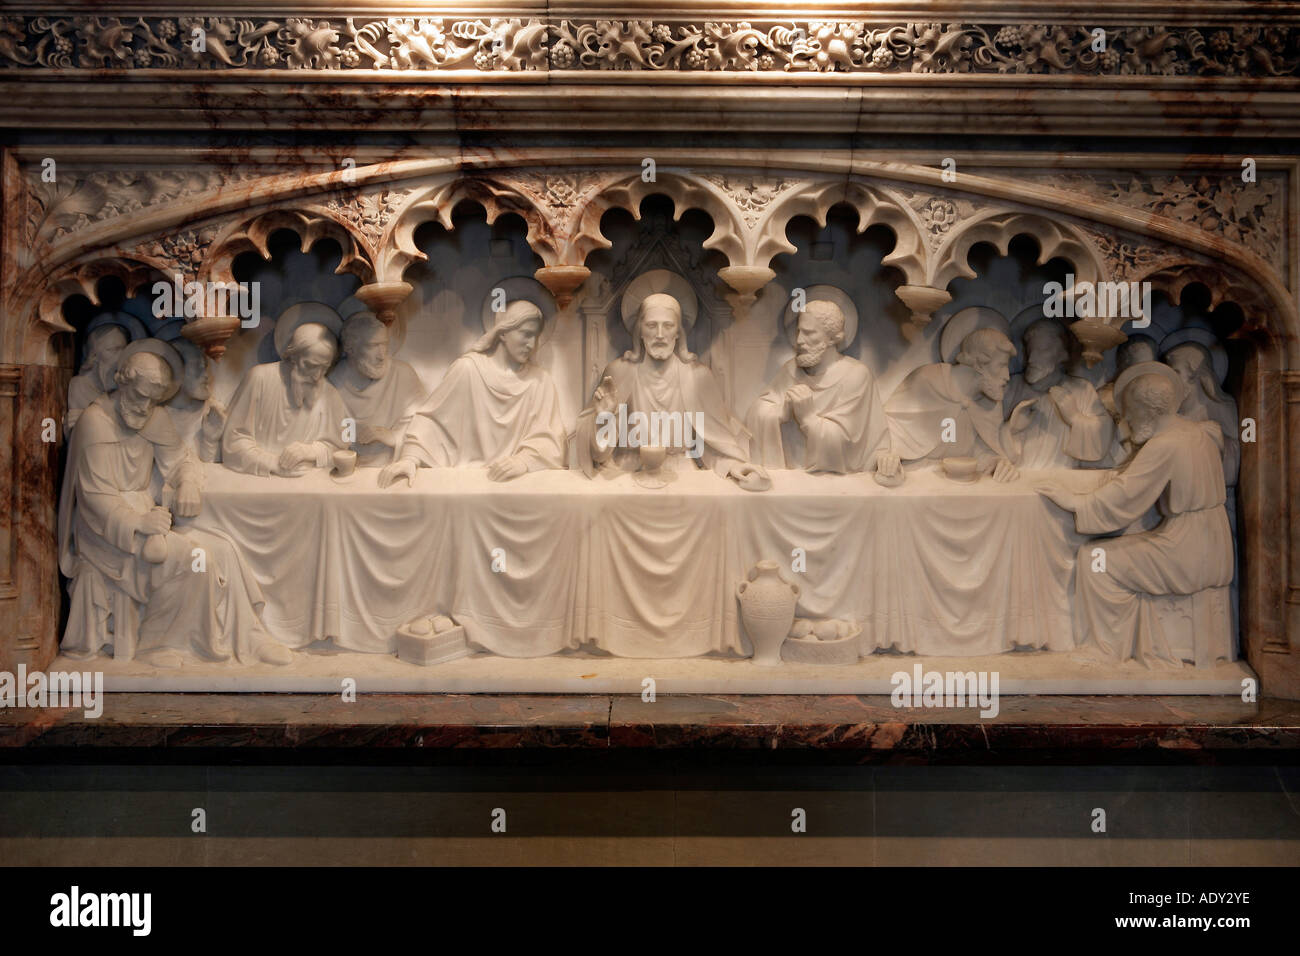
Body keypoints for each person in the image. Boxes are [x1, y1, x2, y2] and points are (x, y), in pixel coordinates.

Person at [57, 341, 290, 666]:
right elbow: (96, 497)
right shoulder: (95, 423)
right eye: (140, 396)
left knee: (225, 549)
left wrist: (188, 482)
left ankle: (248, 636)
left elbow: (182, 459)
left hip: (148, 518)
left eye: (154, 399)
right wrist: (137, 522)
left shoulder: (153, 416)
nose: (144, 407)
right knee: (196, 560)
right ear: (122, 380)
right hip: (106, 534)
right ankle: (159, 643)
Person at [1034, 362, 1233, 668]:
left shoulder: (1163, 445)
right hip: (1213, 542)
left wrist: (1074, 501)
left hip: (1186, 549)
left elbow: (1126, 497)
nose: (1125, 419)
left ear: (1146, 408)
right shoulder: (1199, 433)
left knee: (1095, 560)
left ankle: (1107, 649)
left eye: (1129, 410)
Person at [574, 287, 769, 490]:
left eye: (668, 325)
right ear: (639, 330)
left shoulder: (698, 376)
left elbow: (715, 441)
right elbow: (599, 453)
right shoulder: (618, 372)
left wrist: (734, 466)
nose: (660, 334)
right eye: (651, 325)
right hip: (628, 471)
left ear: (678, 332)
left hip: (683, 471)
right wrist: (604, 418)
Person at [380, 299, 566, 486]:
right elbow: (433, 421)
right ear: (503, 333)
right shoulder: (468, 369)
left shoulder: (540, 382)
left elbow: (550, 440)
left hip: (517, 485)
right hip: (467, 482)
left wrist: (523, 461)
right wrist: (410, 459)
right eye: (526, 334)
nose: (532, 344)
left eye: (536, 336)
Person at [746, 298, 900, 483]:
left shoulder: (855, 376)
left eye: (809, 333)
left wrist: (808, 418)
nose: (799, 341)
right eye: (798, 332)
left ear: (832, 337)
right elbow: (758, 410)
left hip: (838, 482)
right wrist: (780, 413)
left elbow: (850, 446)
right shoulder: (790, 369)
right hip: (791, 478)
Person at [882, 310, 1020, 482]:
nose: (1007, 376)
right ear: (978, 363)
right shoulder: (927, 381)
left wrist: (998, 464)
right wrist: (887, 455)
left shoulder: (990, 402)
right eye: (1001, 366)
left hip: (962, 486)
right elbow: (888, 427)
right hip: (917, 479)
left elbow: (979, 451)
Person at [221, 303, 349, 477]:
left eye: (324, 368)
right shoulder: (260, 379)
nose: (317, 376)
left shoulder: (329, 394)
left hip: (308, 484)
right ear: (293, 356)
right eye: (311, 365)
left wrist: (311, 451)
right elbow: (233, 441)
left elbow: (344, 443)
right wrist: (272, 463)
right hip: (259, 483)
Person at [1002, 319, 1113, 469]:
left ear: (1063, 354)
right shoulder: (1012, 387)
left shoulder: (1081, 390)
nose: (1032, 359)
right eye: (1030, 349)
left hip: (1062, 482)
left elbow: (1103, 438)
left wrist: (1075, 418)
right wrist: (1010, 429)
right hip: (1017, 481)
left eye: (1043, 350)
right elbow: (988, 436)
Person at [329, 311, 424, 468]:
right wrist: (351, 440)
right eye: (372, 346)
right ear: (350, 348)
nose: (381, 355)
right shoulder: (334, 383)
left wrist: (394, 436)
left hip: (392, 467)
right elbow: (333, 433)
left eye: (385, 345)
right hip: (349, 469)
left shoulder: (403, 375)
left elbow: (424, 424)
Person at [66, 316, 138, 432]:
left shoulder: (129, 388)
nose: (120, 357)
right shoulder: (80, 386)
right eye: (113, 350)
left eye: (123, 350)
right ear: (94, 356)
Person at [165, 334, 225, 463]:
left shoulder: (213, 412)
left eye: (205, 367)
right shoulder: (158, 415)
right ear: (175, 370)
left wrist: (210, 441)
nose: (206, 376)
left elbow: (216, 471)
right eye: (198, 367)